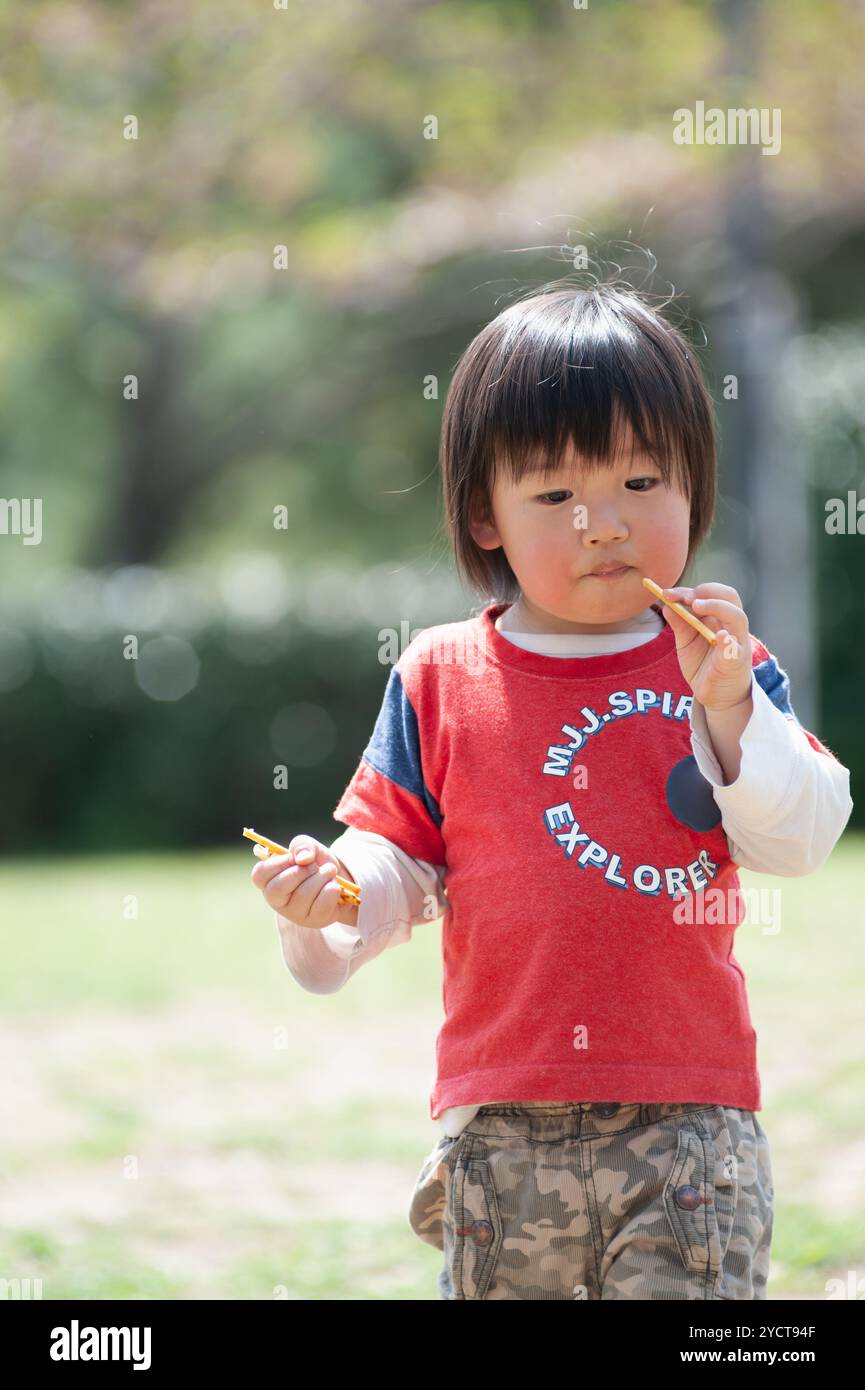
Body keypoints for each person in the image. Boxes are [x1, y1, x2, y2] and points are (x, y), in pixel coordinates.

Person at [251, 281, 853, 1299]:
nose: (603, 524)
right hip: (496, 1132)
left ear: (694, 490)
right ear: (483, 515)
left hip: (688, 1134)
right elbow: (394, 856)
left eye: (640, 482)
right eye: (553, 496)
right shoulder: (438, 677)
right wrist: (334, 898)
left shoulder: (716, 660)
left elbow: (800, 836)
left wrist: (733, 708)